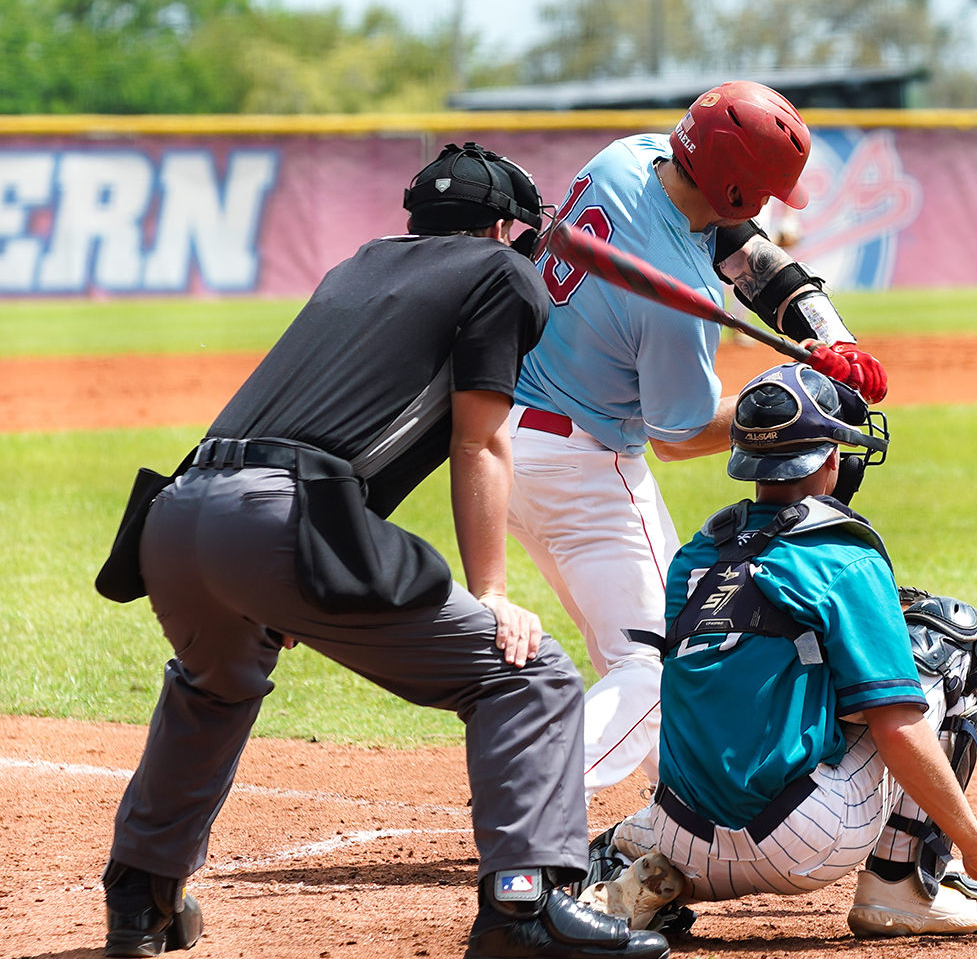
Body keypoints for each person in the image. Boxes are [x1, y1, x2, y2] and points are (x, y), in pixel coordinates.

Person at [96, 144, 667, 959]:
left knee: (215, 685)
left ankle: (140, 897)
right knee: (529, 675)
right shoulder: (504, 274)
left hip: (179, 513)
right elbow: (481, 442)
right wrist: (492, 593)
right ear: (503, 228)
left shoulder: (356, 267)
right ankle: (524, 908)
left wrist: (280, 583)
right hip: (278, 518)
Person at [506, 82, 887, 803]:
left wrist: (829, 335)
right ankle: (530, 799)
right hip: (582, 467)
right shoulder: (680, 303)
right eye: (764, 190)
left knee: (632, 646)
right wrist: (800, 401)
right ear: (735, 188)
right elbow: (677, 435)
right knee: (659, 663)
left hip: (506, 442)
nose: (769, 205)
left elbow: (741, 248)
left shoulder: (630, 158)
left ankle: (677, 810)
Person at [582, 363, 977, 938]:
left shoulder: (695, 557)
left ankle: (628, 881)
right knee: (953, 636)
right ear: (832, 458)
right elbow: (897, 728)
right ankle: (901, 885)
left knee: (618, 840)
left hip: (684, 837)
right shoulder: (843, 556)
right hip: (807, 839)